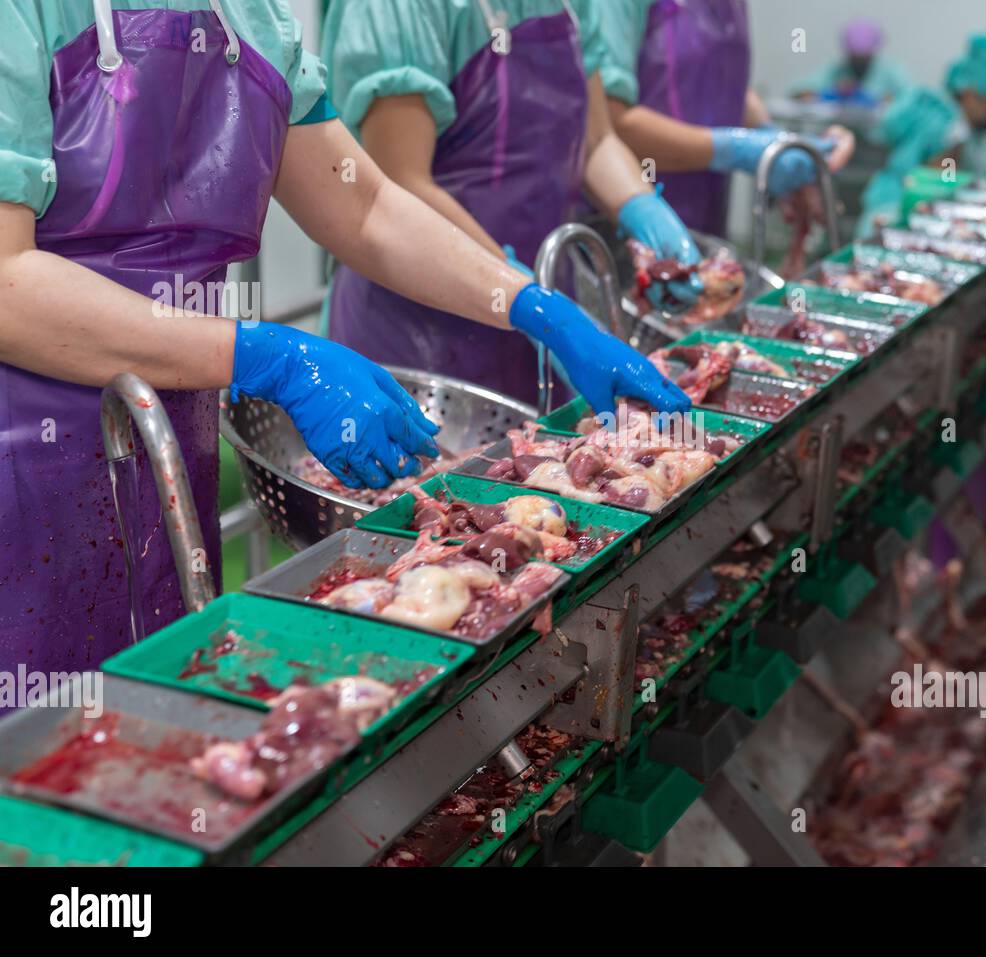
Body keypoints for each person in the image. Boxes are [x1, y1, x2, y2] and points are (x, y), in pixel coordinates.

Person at [0, 0, 687, 674]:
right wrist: (265, 355)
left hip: (166, 448)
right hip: (24, 465)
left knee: (142, 719)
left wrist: (537, 308)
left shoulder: (246, 17)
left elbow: (365, 206)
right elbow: (8, 282)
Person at [322, 0, 703, 404]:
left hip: (542, 311)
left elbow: (595, 140)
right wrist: (529, 300)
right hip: (422, 333)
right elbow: (401, 183)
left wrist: (642, 208)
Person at [598, 0, 843, 237]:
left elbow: (725, 85)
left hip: (709, 211)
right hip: (622, 215)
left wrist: (774, 141)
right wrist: (736, 149)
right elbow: (607, 124)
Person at [857, 33, 986, 233]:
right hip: (894, 220)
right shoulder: (949, 132)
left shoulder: (966, 129)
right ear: (971, 95)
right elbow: (942, 182)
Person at [789, 17, 910, 109]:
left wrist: (883, 101)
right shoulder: (837, 70)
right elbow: (798, 90)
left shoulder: (891, 71)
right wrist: (832, 92)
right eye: (854, 58)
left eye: (863, 58)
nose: (859, 62)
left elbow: (910, 99)